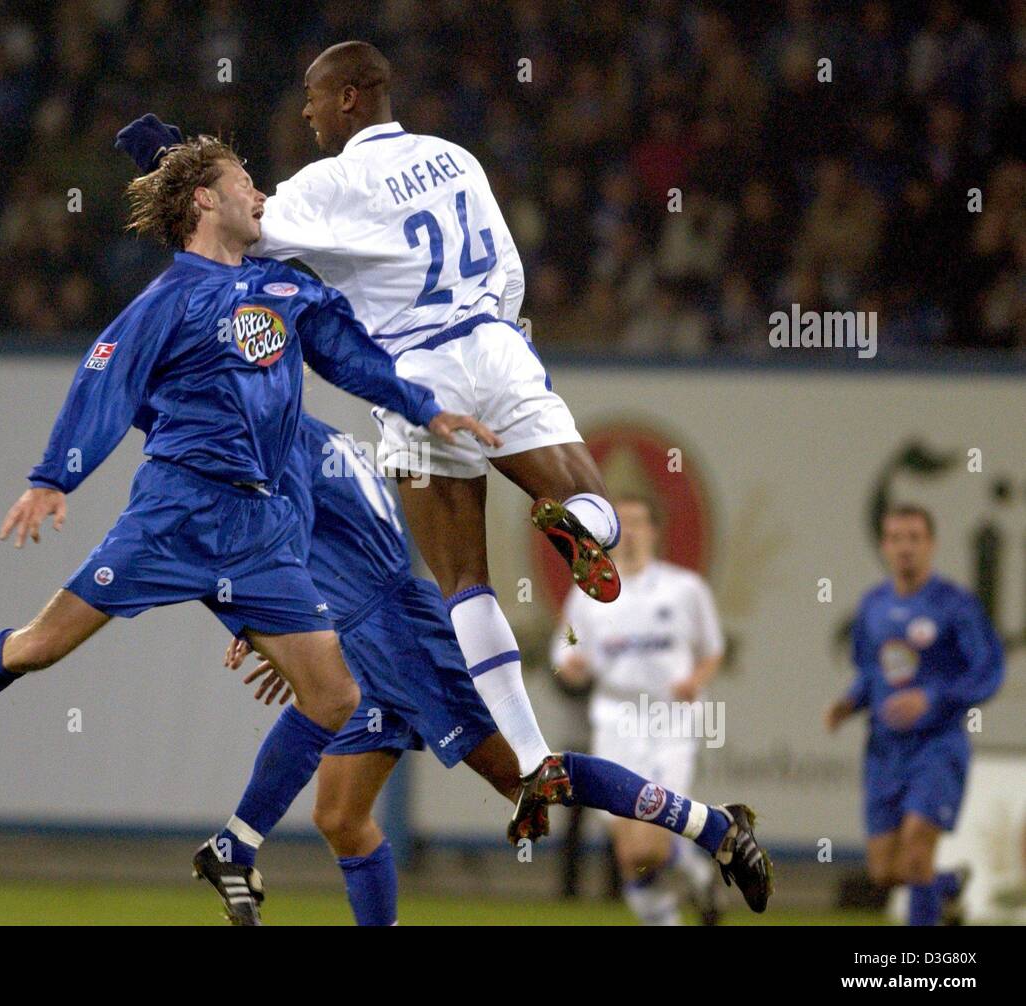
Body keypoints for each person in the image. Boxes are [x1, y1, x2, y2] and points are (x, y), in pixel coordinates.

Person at [0, 134, 495, 786]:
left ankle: (236, 846)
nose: (262, 195)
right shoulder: (169, 300)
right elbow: (105, 383)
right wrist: (53, 479)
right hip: (177, 510)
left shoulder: (286, 291)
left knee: (333, 697)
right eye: (245, 184)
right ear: (205, 200)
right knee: (40, 646)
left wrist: (423, 407)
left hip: (256, 528)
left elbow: (352, 357)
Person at [117, 41, 622, 839]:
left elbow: (241, 221)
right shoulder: (457, 159)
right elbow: (511, 268)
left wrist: (168, 154)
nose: (307, 110)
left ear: (352, 97)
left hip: (418, 371)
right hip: (495, 337)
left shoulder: (333, 181)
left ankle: (530, 761)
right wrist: (491, 327)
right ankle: (583, 532)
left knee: (464, 584)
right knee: (590, 495)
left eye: (314, 96)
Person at [192, 422, 772, 924]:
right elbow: (327, 542)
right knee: (340, 815)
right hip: (358, 635)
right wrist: (300, 639)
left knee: (526, 781)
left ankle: (714, 827)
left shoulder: (280, 441)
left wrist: (276, 625)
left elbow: (284, 542)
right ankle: (237, 846)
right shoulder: (311, 437)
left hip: (393, 636)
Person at [825, 504, 1003, 926]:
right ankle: (947, 887)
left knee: (917, 852)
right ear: (885, 546)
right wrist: (849, 702)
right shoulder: (873, 607)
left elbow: (988, 670)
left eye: (914, 538)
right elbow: (872, 673)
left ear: (931, 545)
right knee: (886, 871)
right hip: (885, 749)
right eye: (896, 539)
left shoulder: (955, 605)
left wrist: (934, 700)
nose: (905, 548)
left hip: (937, 746)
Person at [552, 496, 726, 925]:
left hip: (669, 717)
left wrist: (695, 680)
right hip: (614, 719)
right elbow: (565, 655)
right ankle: (695, 874)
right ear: (606, 536)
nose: (630, 533)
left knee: (650, 845)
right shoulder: (589, 595)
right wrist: (572, 667)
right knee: (632, 856)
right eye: (621, 524)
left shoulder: (684, 588)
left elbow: (713, 650)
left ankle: (689, 862)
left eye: (638, 523)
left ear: (654, 531)